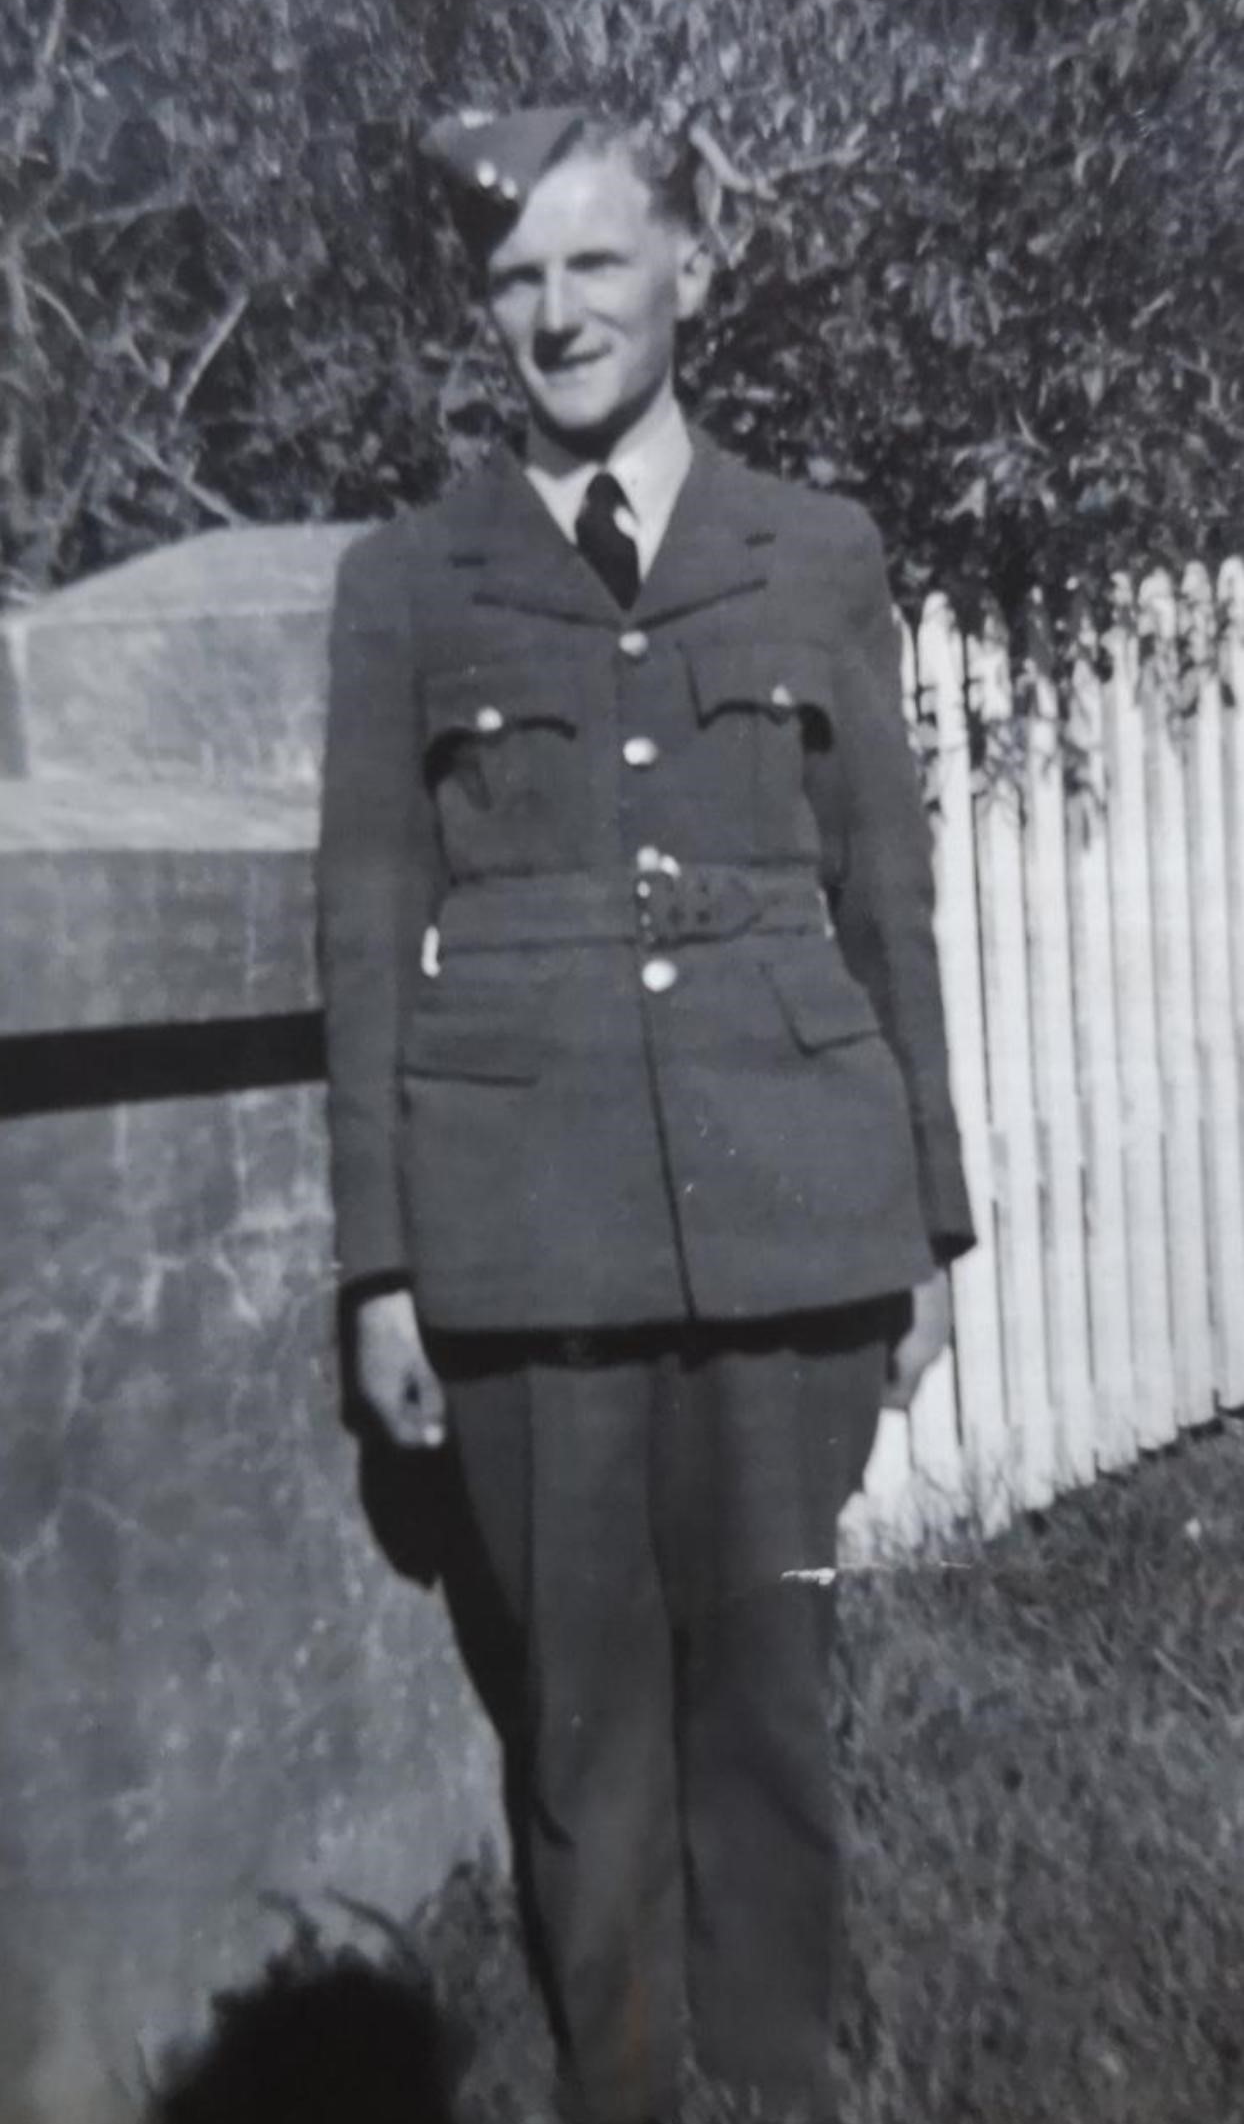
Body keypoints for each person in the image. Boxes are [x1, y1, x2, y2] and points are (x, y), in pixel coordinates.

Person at [317, 103, 975, 2124]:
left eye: (596, 264)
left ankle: (772, 2092)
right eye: (516, 277)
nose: (555, 310)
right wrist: (381, 1262)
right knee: (584, 1726)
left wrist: (927, 1220)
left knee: (771, 1702)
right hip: (531, 1230)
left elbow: (885, 888)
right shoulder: (410, 577)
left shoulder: (816, 549)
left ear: (693, 270)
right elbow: (362, 923)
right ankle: (621, 2092)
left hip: (790, 1206)